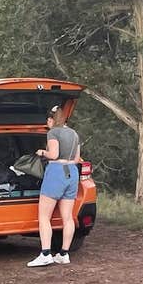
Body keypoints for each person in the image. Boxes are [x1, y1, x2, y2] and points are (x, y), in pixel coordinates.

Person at [27, 105, 82, 268]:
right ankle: (64, 254)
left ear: (51, 119)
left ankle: (45, 254)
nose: (47, 124)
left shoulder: (53, 132)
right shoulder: (74, 133)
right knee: (68, 217)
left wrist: (41, 152)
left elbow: (54, 155)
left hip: (56, 172)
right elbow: (77, 159)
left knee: (44, 217)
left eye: (47, 121)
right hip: (72, 173)